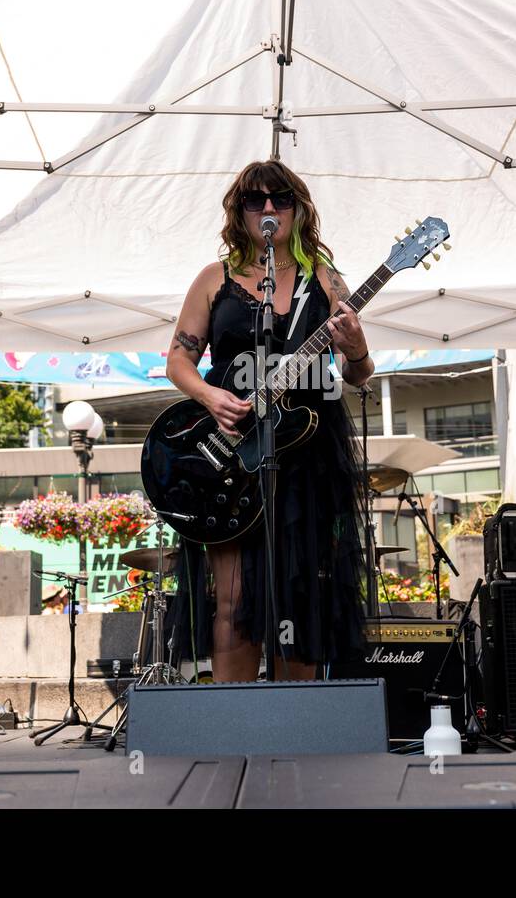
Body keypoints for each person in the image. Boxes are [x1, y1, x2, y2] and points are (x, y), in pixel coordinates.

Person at [164, 160, 371, 682]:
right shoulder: (216, 280)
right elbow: (177, 361)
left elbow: (357, 375)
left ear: (298, 209)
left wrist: (359, 350)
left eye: (281, 198)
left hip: (307, 457)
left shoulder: (325, 280)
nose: (270, 208)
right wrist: (212, 398)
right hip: (231, 452)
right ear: (240, 212)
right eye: (256, 201)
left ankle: (294, 734)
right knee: (232, 600)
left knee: (298, 600)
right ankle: (235, 729)